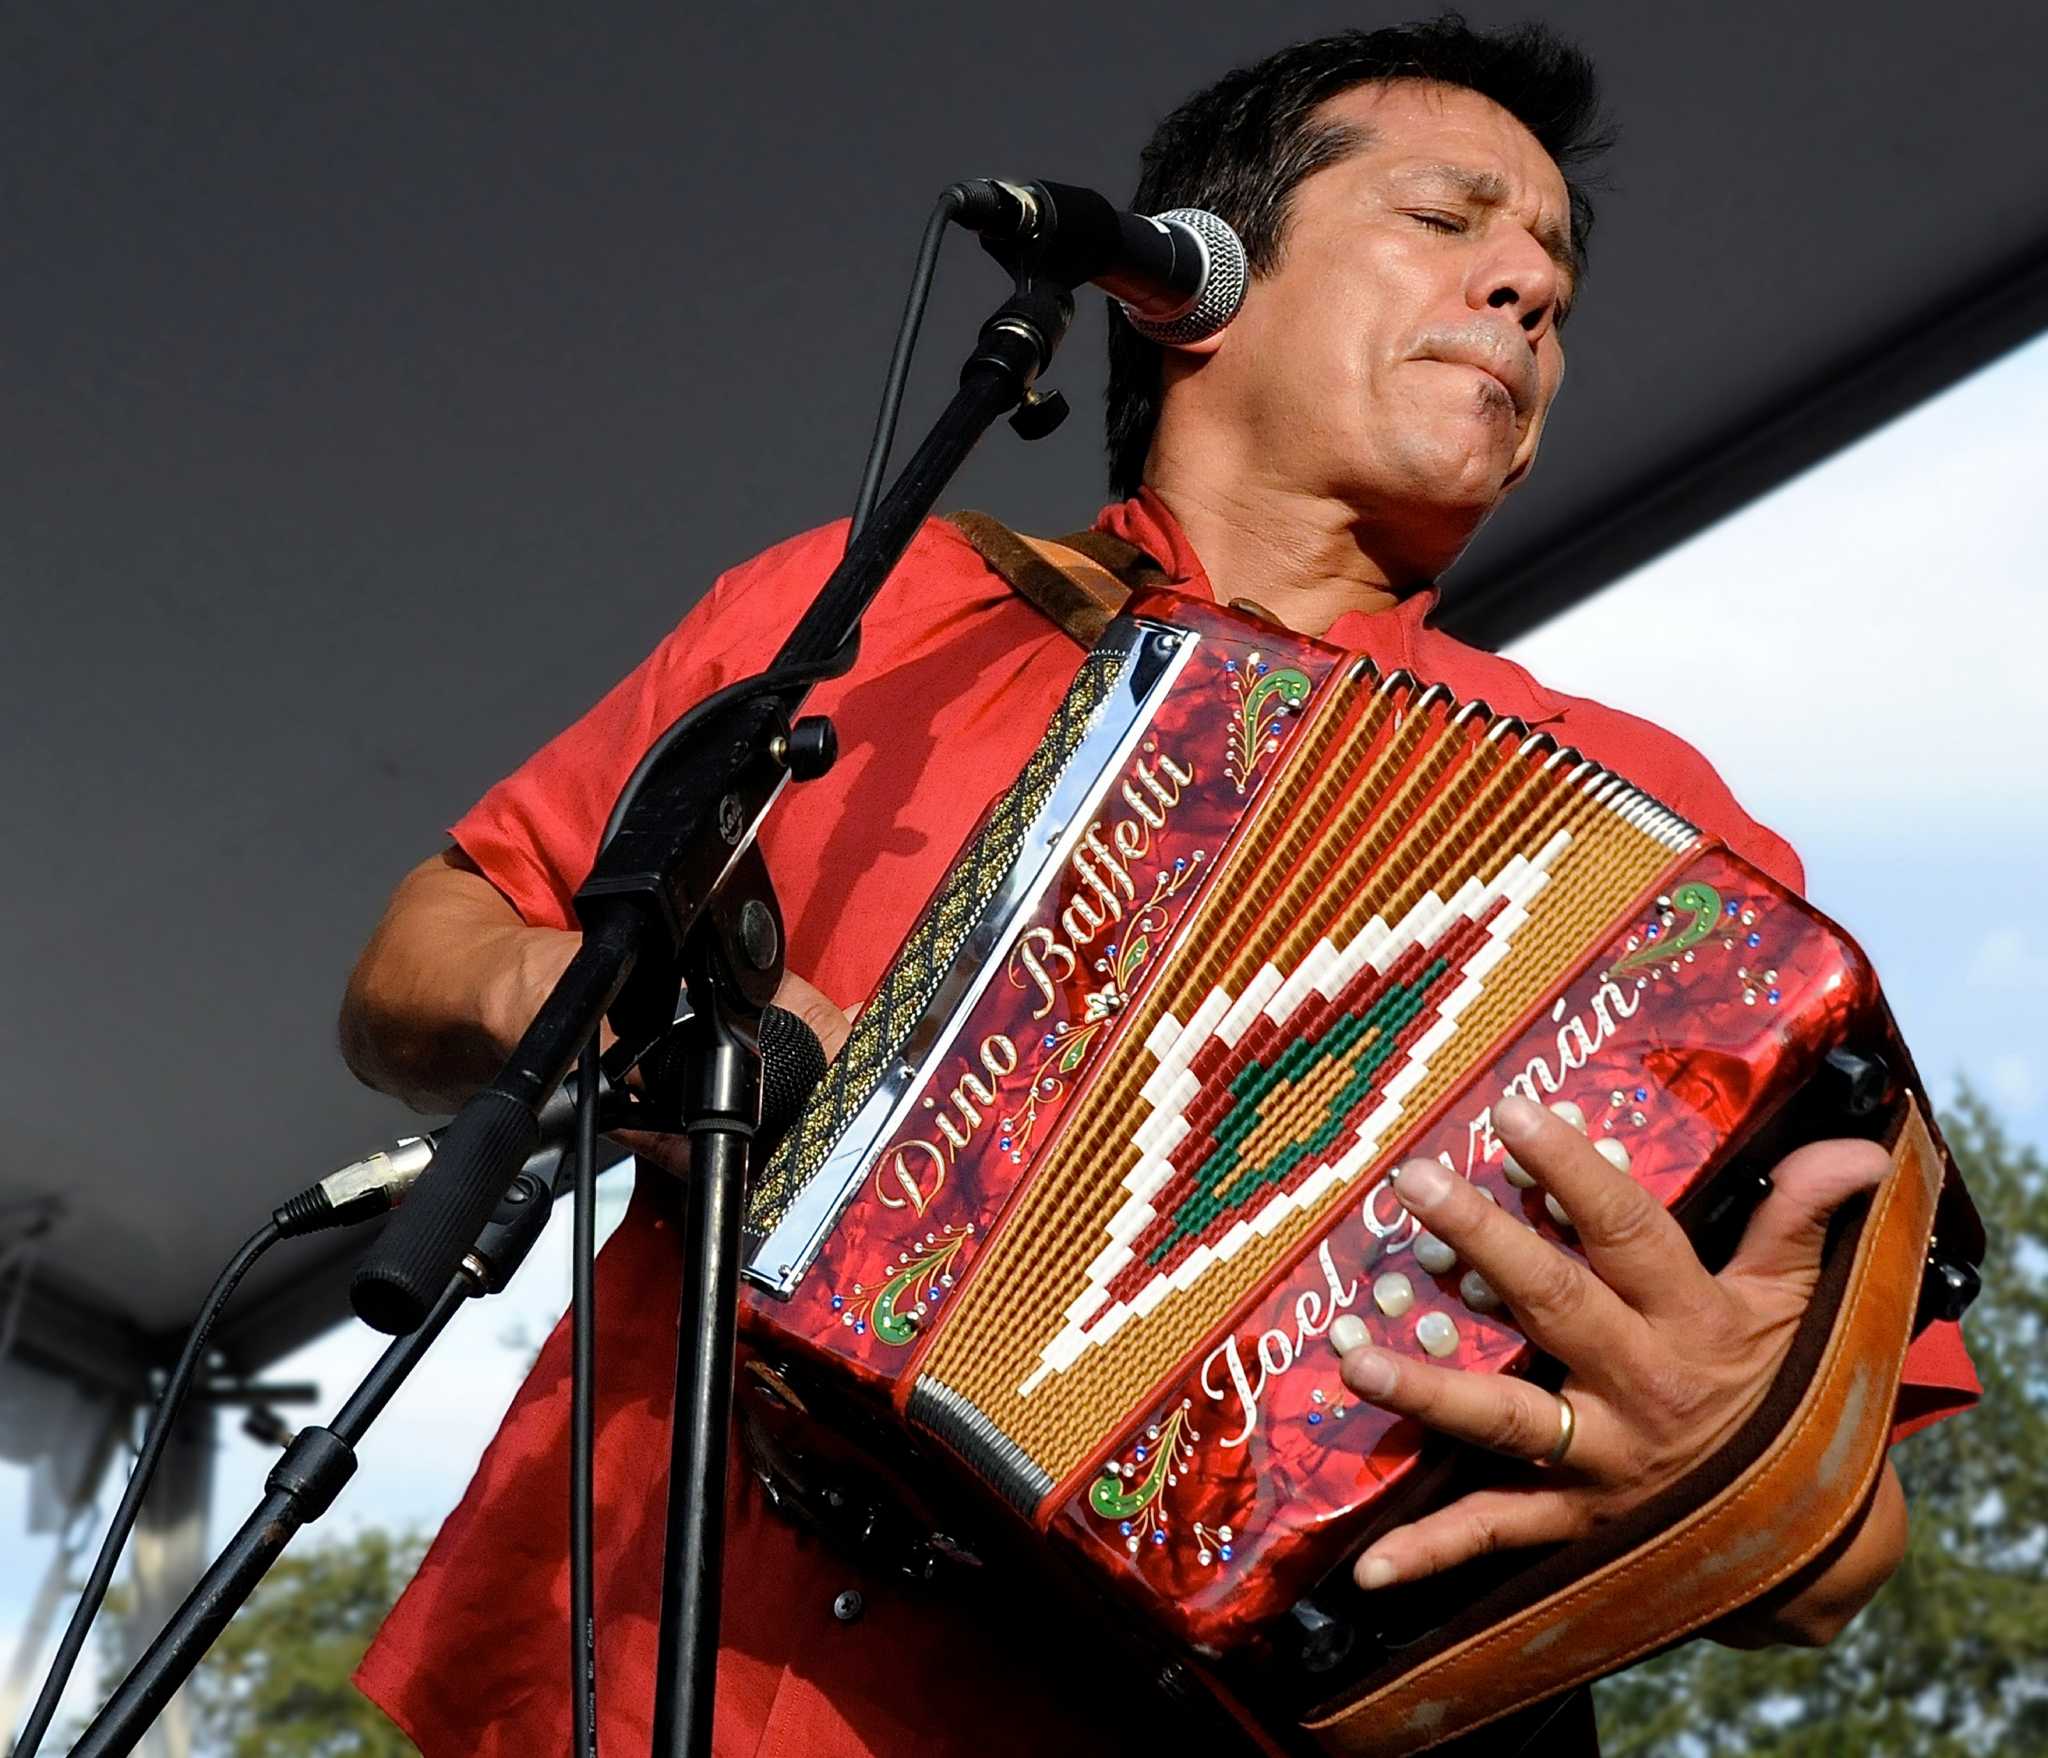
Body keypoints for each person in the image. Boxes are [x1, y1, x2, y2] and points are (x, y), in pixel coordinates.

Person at [340, 19, 1977, 1757]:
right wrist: (581, 1005)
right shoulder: (865, 614)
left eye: (1556, 272)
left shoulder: (1655, 853)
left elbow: (1842, 1553)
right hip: (655, 1656)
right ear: (1188, 282)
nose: (1529, 289)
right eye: (1452, 218)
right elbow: (414, 958)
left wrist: (1727, 1453)